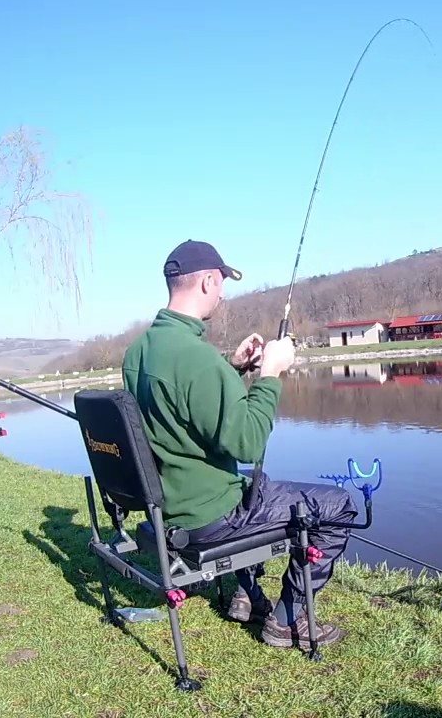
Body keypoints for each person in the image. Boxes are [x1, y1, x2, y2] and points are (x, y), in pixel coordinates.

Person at [122, 239, 357, 650]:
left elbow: (177, 410)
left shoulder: (141, 350)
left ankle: (246, 596)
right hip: (210, 517)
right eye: (223, 283)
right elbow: (246, 443)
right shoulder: (194, 357)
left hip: (172, 506)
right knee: (338, 506)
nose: (223, 293)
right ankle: (286, 619)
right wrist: (270, 374)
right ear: (209, 281)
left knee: (261, 487)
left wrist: (232, 370)